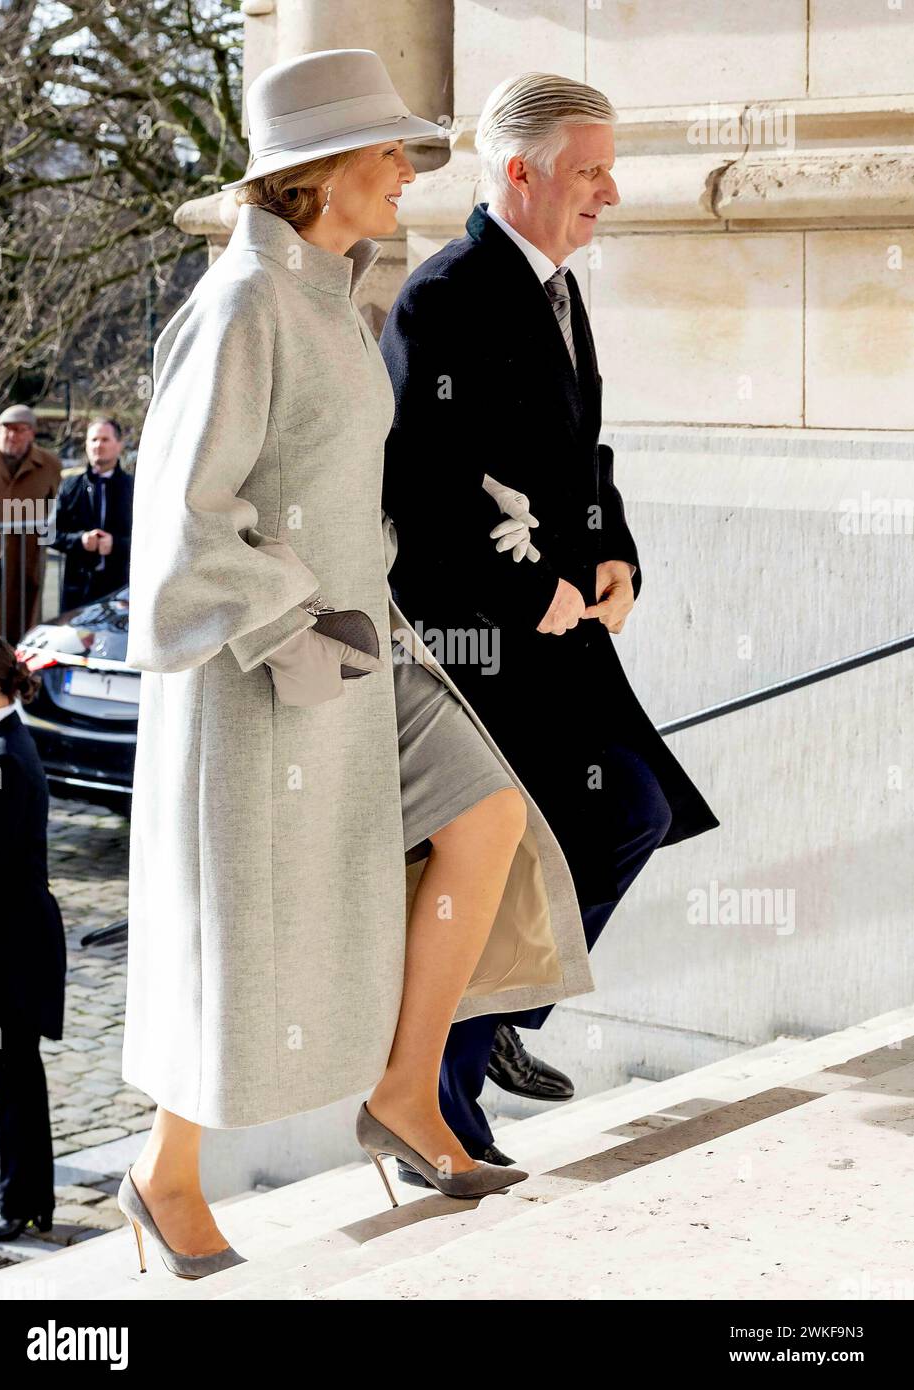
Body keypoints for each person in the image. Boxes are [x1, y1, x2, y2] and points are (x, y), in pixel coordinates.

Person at [117, 49, 595, 1280]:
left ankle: (402, 1091)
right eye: (386, 150)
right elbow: (177, 527)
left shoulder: (330, 297)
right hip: (268, 675)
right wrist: (300, 623)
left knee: (488, 815)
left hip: (365, 647)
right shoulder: (237, 306)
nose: (404, 170)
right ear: (317, 172)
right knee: (244, 935)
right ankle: (166, 1178)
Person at [379, 71, 721, 1178]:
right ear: (518, 173)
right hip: (483, 652)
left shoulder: (561, 291)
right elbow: (419, 495)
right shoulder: (440, 298)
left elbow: (584, 461)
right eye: (590, 171)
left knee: (630, 809)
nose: (610, 192)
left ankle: (488, 1035)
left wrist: (615, 549)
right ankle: (443, 1089)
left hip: (565, 639)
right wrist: (531, 597)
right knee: (609, 811)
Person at [0, 634, 66, 1240]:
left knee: (11, 1076)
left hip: (9, 946)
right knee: (14, 1074)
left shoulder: (4, 758)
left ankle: (16, 1206)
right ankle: (28, 1201)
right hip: (8, 940)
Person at [0, 405, 61, 643]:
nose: (12, 435)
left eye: (19, 430)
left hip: (26, 557)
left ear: (32, 433)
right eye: (7, 429)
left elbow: (56, 506)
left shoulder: (49, 464)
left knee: (20, 622)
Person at [50, 417, 134, 612]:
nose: (98, 445)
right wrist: (80, 540)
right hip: (78, 590)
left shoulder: (134, 487)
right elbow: (50, 533)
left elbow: (152, 538)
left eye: (105, 439)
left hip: (121, 589)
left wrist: (116, 544)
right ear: (86, 445)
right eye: (93, 440)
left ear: (119, 444)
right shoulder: (70, 485)